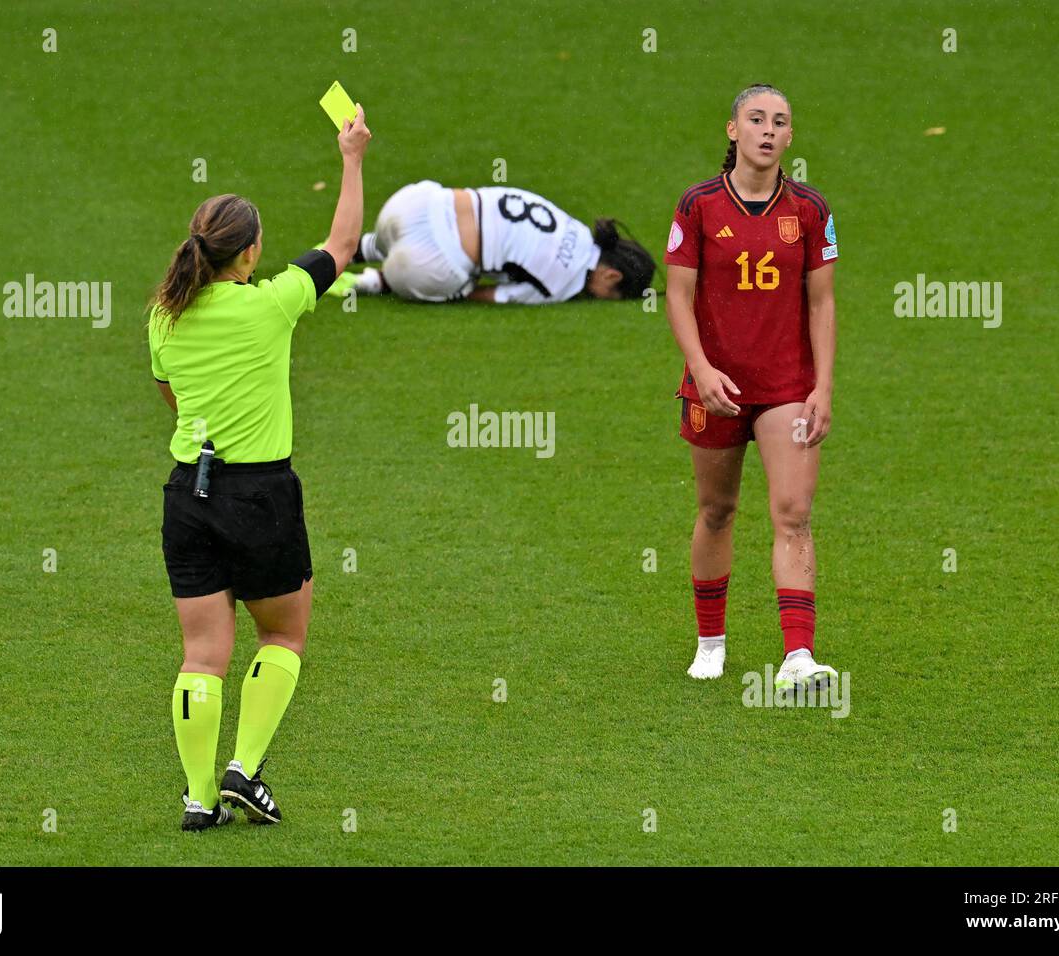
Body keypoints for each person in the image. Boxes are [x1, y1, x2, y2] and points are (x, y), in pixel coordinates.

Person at [147, 107, 371, 831]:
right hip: (260, 493)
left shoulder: (164, 314)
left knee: (201, 654)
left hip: (187, 493)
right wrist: (352, 155)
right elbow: (342, 243)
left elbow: (171, 396)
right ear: (246, 255)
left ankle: (196, 796)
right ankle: (245, 768)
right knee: (283, 638)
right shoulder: (273, 304)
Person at [664, 84, 840, 691]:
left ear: (790, 137)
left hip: (786, 386)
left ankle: (798, 657)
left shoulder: (811, 211)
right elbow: (678, 296)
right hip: (714, 387)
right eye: (756, 118)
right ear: (732, 130)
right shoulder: (698, 206)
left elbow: (822, 303)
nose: (768, 129)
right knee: (717, 509)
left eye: (781, 121)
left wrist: (822, 386)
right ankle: (710, 641)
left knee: (793, 513)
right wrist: (702, 370)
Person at [326, 180, 655, 304]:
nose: (601, 299)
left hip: (411, 203)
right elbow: (496, 296)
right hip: (422, 265)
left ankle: (345, 252)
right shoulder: (563, 285)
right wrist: (464, 290)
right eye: (610, 295)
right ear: (612, 275)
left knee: (388, 241)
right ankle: (371, 281)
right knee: (460, 286)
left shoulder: (574, 227)